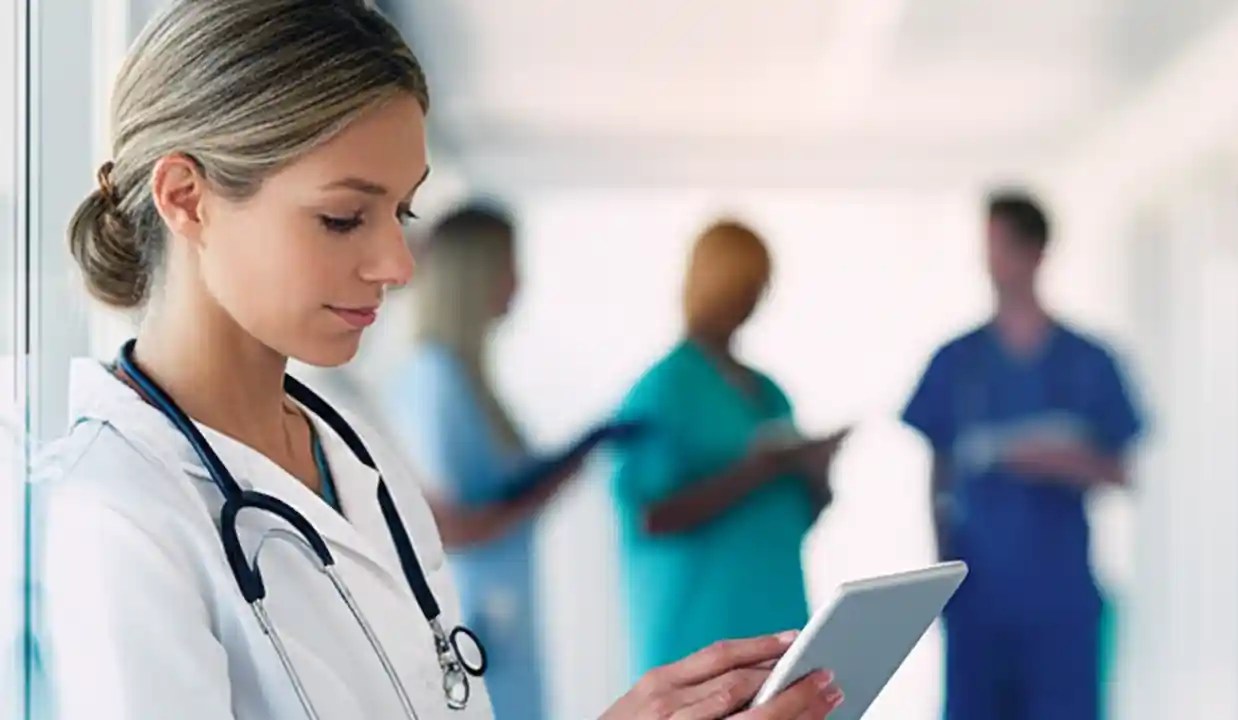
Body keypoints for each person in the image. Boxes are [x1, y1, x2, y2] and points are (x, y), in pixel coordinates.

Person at [30, 2, 845, 719]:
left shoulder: (357, 459)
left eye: (404, 210)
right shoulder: (117, 514)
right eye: (345, 218)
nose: (398, 263)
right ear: (185, 198)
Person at [902, 191, 1144, 720]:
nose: (991, 262)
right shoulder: (958, 361)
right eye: (987, 247)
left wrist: (1057, 459)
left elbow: (1124, 471)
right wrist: (937, 574)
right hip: (977, 596)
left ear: (1036, 252)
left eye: (1002, 246)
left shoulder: (1089, 362)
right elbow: (936, 475)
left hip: (1060, 600)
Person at [386, 204, 626, 719]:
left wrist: (584, 449)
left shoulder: (470, 381)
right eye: (508, 266)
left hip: (502, 619)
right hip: (471, 618)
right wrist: (561, 473)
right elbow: (451, 526)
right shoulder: (433, 380)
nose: (519, 283)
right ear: (475, 275)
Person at [611, 220, 851, 679]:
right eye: (740, 285)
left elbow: (794, 517)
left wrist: (815, 471)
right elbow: (651, 516)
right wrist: (755, 471)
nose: (748, 300)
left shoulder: (769, 393)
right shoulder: (665, 388)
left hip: (777, 626)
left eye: (758, 287)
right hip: (697, 635)